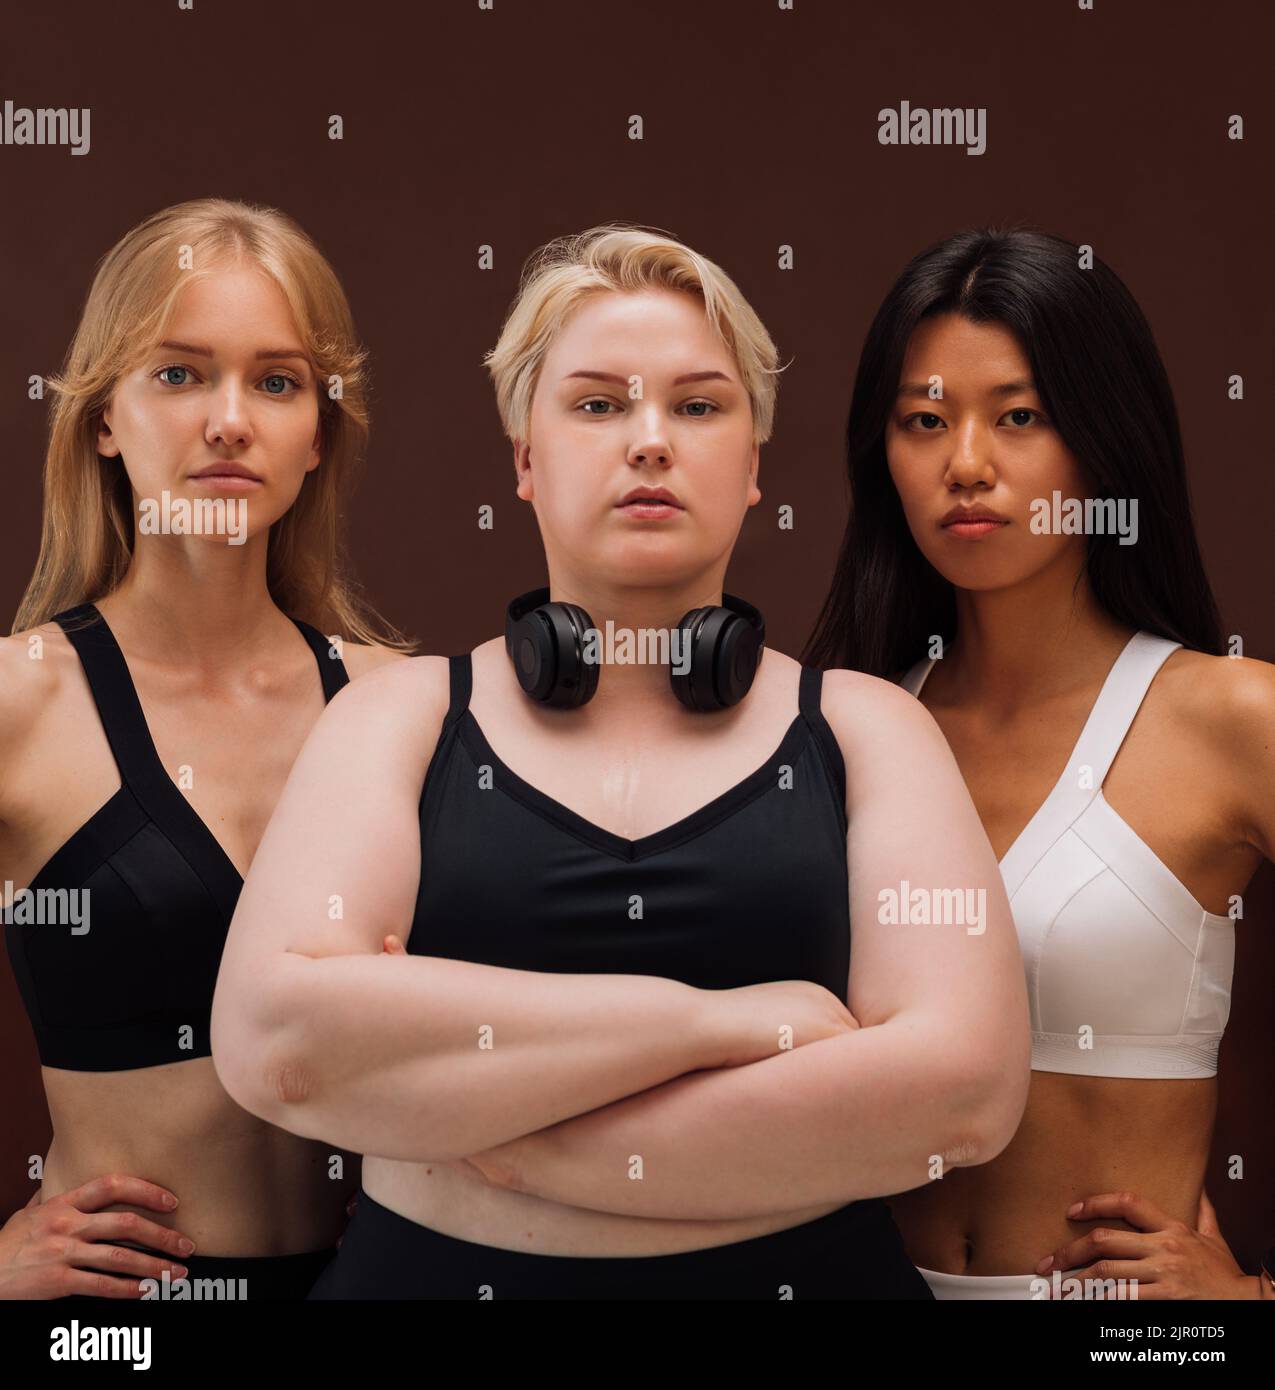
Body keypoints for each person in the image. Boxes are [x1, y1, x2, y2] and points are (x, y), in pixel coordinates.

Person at [211, 223, 1029, 1300]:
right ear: (525, 460)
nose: (650, 440)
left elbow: (958, 1092)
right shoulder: (396, 720)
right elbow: (277, 1038)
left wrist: (489, 1134)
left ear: (751, 467)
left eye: (697, 405)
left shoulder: (867, 729)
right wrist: (717, 1020)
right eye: (597, 404)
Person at [804, 227, 1275, 1300]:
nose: (966, 463)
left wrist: (1253, 1301)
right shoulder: (847, 725)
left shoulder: (1231, 713)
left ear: (1103, 440)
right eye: (924, 421)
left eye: (1020, 417)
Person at [0, 198, 407, 1301]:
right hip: (111, 1323)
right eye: (179, 375)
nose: (230, 419)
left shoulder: (396, 706)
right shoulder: (20, 700)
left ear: (318, 433)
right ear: (101, 418)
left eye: (277, 383)